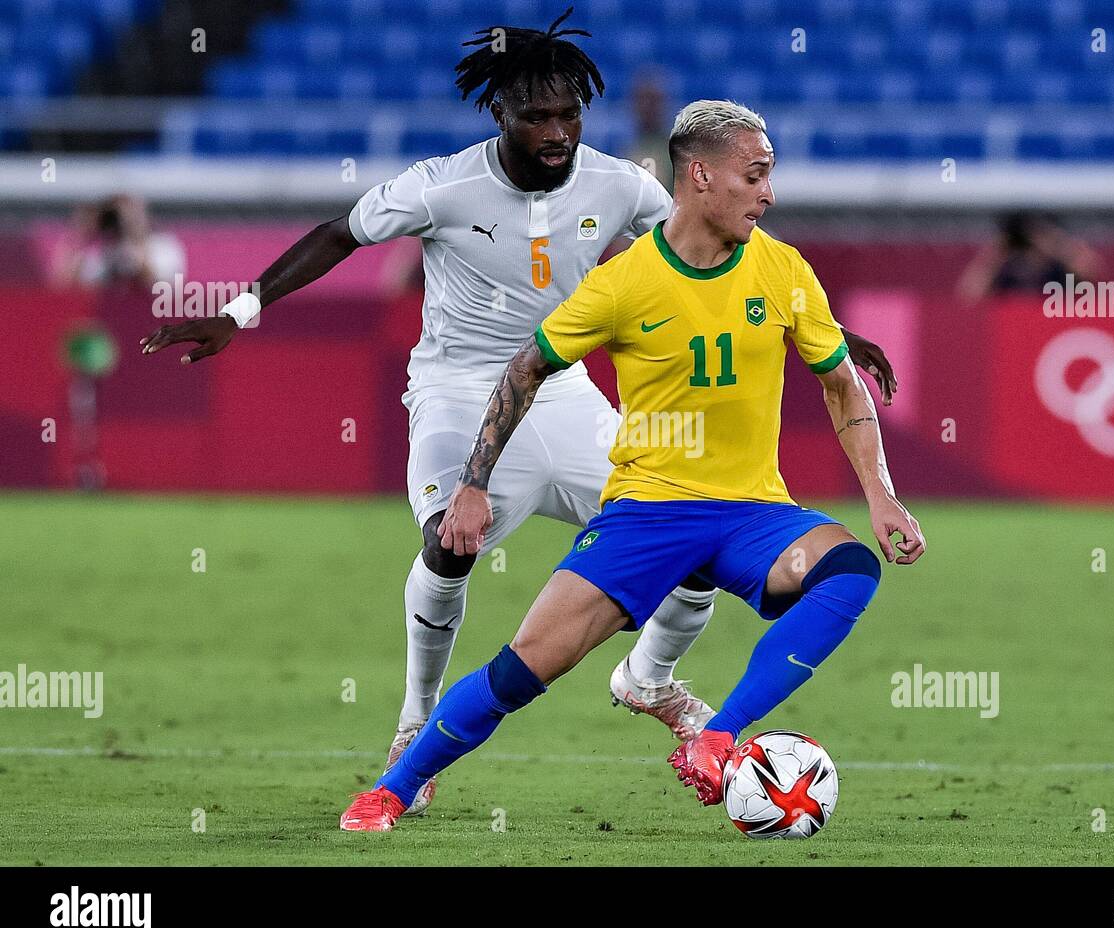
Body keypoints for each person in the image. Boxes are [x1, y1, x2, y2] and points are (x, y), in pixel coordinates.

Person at [139, 10, 900, 819]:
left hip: (567, 393)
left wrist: (833, 335)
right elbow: (338, 234)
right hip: (460, 386)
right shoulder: (443, 184)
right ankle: (413, 729)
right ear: (499, 113)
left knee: (688, 517)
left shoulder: (619, 184)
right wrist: (239, 311)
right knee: (450, 542)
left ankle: (647, 679)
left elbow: (725, 262)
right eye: (537, 114)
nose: (557, 129)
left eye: (570, 112)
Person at [341, 99, 925, 832]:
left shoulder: (784, 269)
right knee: (521, 671)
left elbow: (842, 384)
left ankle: (716, 736)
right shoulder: (624, 283)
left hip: (754, 514)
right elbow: (524, 370)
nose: (769, 194)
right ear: (702, 176)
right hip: (647, 514)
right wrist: (472, 484)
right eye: (756, 176)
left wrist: (882, 495)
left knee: (850, 570)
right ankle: (392, 789)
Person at [957, 211, 1100, 302]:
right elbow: (968, 296)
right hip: (1012, 332)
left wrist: (1057, 243)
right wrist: (998, 250)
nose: (1033, 247)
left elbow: (1092, 274)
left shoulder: (1059, 272)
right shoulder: (1006, 273)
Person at [52, 194, 186, 292]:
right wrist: (82, 237)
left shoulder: (164, 245)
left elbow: (164, 290)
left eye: (131, 214)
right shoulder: (101, 250)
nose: (121, 222)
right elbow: (65, 290)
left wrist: (135, 237)